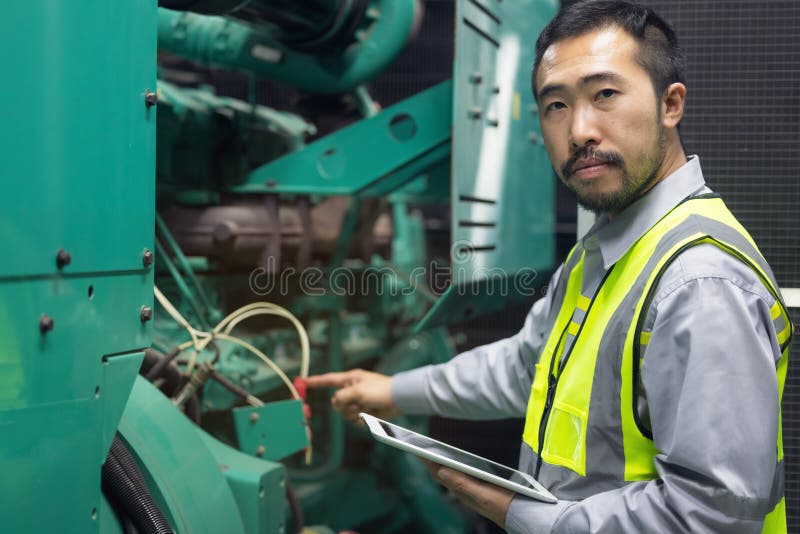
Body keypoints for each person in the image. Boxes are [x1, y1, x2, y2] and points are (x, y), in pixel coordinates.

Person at [306, 1, 792, 532]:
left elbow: (713, 514)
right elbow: (525, 366)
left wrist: (524, 516)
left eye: (604, 94)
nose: (579, 129)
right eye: (555, 105)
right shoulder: (605, 250)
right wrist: (392, 391)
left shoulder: (698, 283)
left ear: (670, 103)